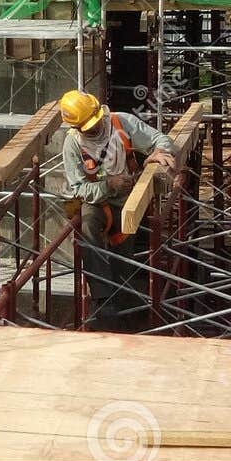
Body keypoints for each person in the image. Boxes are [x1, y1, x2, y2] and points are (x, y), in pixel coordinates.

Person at [58, 90, 177, 328]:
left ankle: (126, 310)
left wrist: (158, 153)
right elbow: (79, 189)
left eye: (94, 124)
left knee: (123, 258)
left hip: (128, 200)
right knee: (88, 223)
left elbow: (160, 140)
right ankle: (102, 300)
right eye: (86, 128)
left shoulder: (120, 122)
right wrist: (108, 185)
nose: (92, 130)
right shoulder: (73, 144)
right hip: (99, 201)